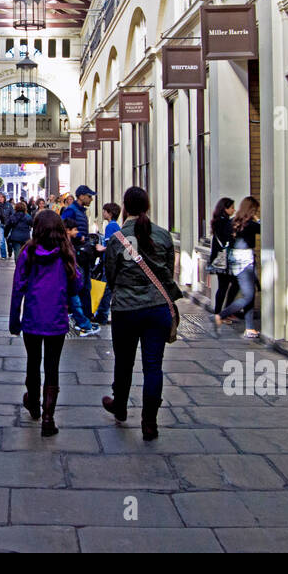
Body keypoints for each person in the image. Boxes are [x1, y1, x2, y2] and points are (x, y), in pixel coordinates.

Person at [102, 186, 180, 440]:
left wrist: (122, 291)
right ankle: (149, 423)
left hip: (126, 309)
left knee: (123, 362)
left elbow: (111, 274)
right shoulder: (163, 236)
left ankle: (121, 407)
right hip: (157, 309)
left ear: (125, 207)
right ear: (148, 206)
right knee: (153, 367)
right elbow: (168, 272)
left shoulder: (117, 238)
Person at [9, 209, 83, 436]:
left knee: (33, 362)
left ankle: (33, 403)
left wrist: (14, 320)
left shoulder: (28, 252)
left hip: (32, 318)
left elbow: (18, 288)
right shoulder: (65, 252)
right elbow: (77, 285)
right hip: (56, 319)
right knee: (52, 367)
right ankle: (48, 418)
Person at [215, 196, 261, 339]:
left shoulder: (232, 222)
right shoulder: (250, 224)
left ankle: (250, 328)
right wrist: (256, 218)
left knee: (250, 294)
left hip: (235, 261)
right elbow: (263, 228)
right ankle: (222, 314)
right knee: (249, 296)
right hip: (246, 262)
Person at [61, 185, 98, 336]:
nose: (91, 199)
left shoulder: (80, 212)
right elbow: (64, 227)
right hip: (76, 254)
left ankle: (85, 317)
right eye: (89, 196)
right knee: (79, 287)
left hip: (83, 254)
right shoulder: (71, 210)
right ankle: (82, 319)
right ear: (81, 196)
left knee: (85, 286)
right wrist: (79, 237)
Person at [205, 197, 237, 317]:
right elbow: (229, 239)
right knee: (229, 285)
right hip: (225, 259)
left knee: (223, 286)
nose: (234, 210)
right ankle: (222, 313)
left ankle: (222, 312)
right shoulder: (226, 222)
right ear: (225, 208)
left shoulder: (218, 221)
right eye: (232, 207)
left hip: (219, 258)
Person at [91, 202, 121, 326]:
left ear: (110, 213)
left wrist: (100, 248)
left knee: (105, 288)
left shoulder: (110, 227)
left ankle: (102, 315)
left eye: (104, 211)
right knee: (106, 288)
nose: (103, 213)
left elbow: (110, 245)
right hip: (111, 261)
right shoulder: (115, 226)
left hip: (109, 262)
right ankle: (101, 314)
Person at [0, 193, 15, 260]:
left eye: (2, 197)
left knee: (9, 241)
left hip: (8, 225)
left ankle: (10, 251)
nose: (1, 198)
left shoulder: (9, 205)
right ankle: (3, 255)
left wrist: (10, 221)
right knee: (1, 241)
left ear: (4, 198)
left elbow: (12, 214)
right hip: (0, 225)